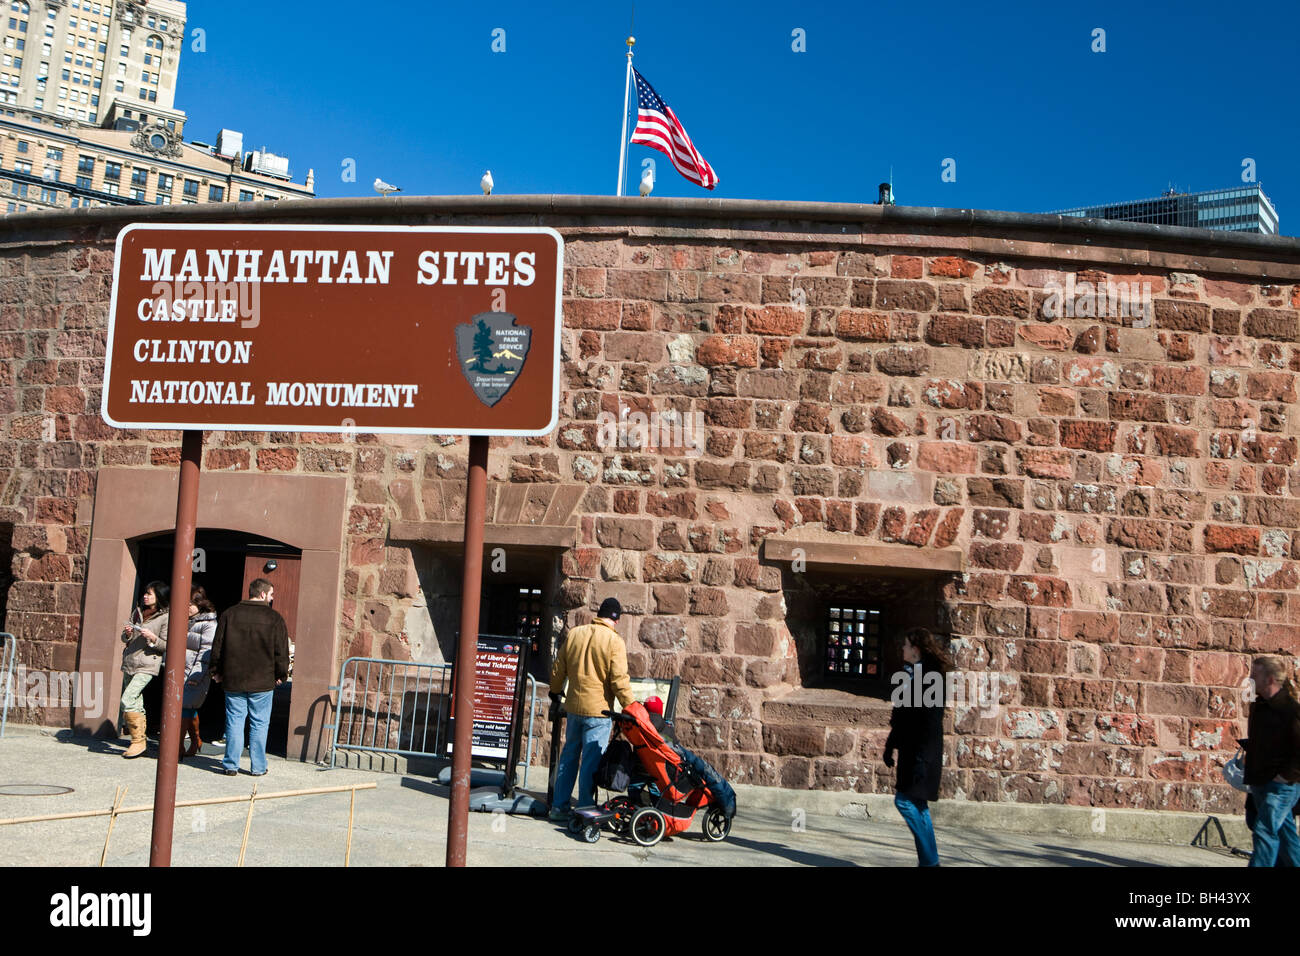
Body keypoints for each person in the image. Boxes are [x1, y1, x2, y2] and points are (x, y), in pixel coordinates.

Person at [547, 597, 634, 822]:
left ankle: (559, 806)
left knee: (569, 757)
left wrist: (555, 691)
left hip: (574, 708)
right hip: (599, 712)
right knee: (591, 762)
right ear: (616, 619)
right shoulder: (614, 642)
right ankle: (585, 807)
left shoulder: (576, 634)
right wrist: (630, 706)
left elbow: (559, 668)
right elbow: (619, 679)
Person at [883, 627, 951, 867]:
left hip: (922, 753)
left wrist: (923, 759)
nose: (902, 648)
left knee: (904, 802)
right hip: (910, 751)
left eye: (905, 644)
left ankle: (931, 862)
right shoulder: (909, 673)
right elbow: (900, 716)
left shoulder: (933, 678)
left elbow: (932, 721)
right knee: (919, 806)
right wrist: (890, 746)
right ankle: (929, 863)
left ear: (916, 649)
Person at [210, 578, 289, 777]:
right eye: (271, 594)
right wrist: (281, 674)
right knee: (259, 723)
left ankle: (230, 764)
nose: (272, 598)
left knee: (234, 721)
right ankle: (258, 766)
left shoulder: (229, 614)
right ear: (263, 594)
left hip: (233, 678)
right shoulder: (275, 618)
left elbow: (217, 647)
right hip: (262, 680)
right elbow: (281, 651)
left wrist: (216, 671)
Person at [1243, 655, 1300, 867]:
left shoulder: (1290, 710)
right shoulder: (1259, 706)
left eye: (1254, 675)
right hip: (1260, 779)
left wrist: (1285, 776)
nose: (1250, 679)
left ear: (1269, 679)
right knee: (1286, 836)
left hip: (1280, 784)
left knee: (1264, 831)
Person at [118, 581, 170, 759]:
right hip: (130, 660)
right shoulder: (138, 611)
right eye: (145, 593)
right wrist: (127, 633)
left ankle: (138, 741)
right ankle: (138, 742)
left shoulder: (165, 617)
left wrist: (153, 638)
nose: (145, 596)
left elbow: (167, 645)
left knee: (127, 699)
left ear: (159, 597)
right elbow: (126, 638)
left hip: (148, 663)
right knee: (135, 702)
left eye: (150, 594)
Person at [179, 586, 218, 759]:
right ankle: (196, 740)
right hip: (179, 671)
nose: (187, 607)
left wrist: (196, 676)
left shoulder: (209, 624)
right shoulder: (183, 620)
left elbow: (205, 652)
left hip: (195, 673)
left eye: (190, 604)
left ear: (200, 604)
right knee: (187, 709)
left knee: (184, 709)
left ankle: (178, 746)